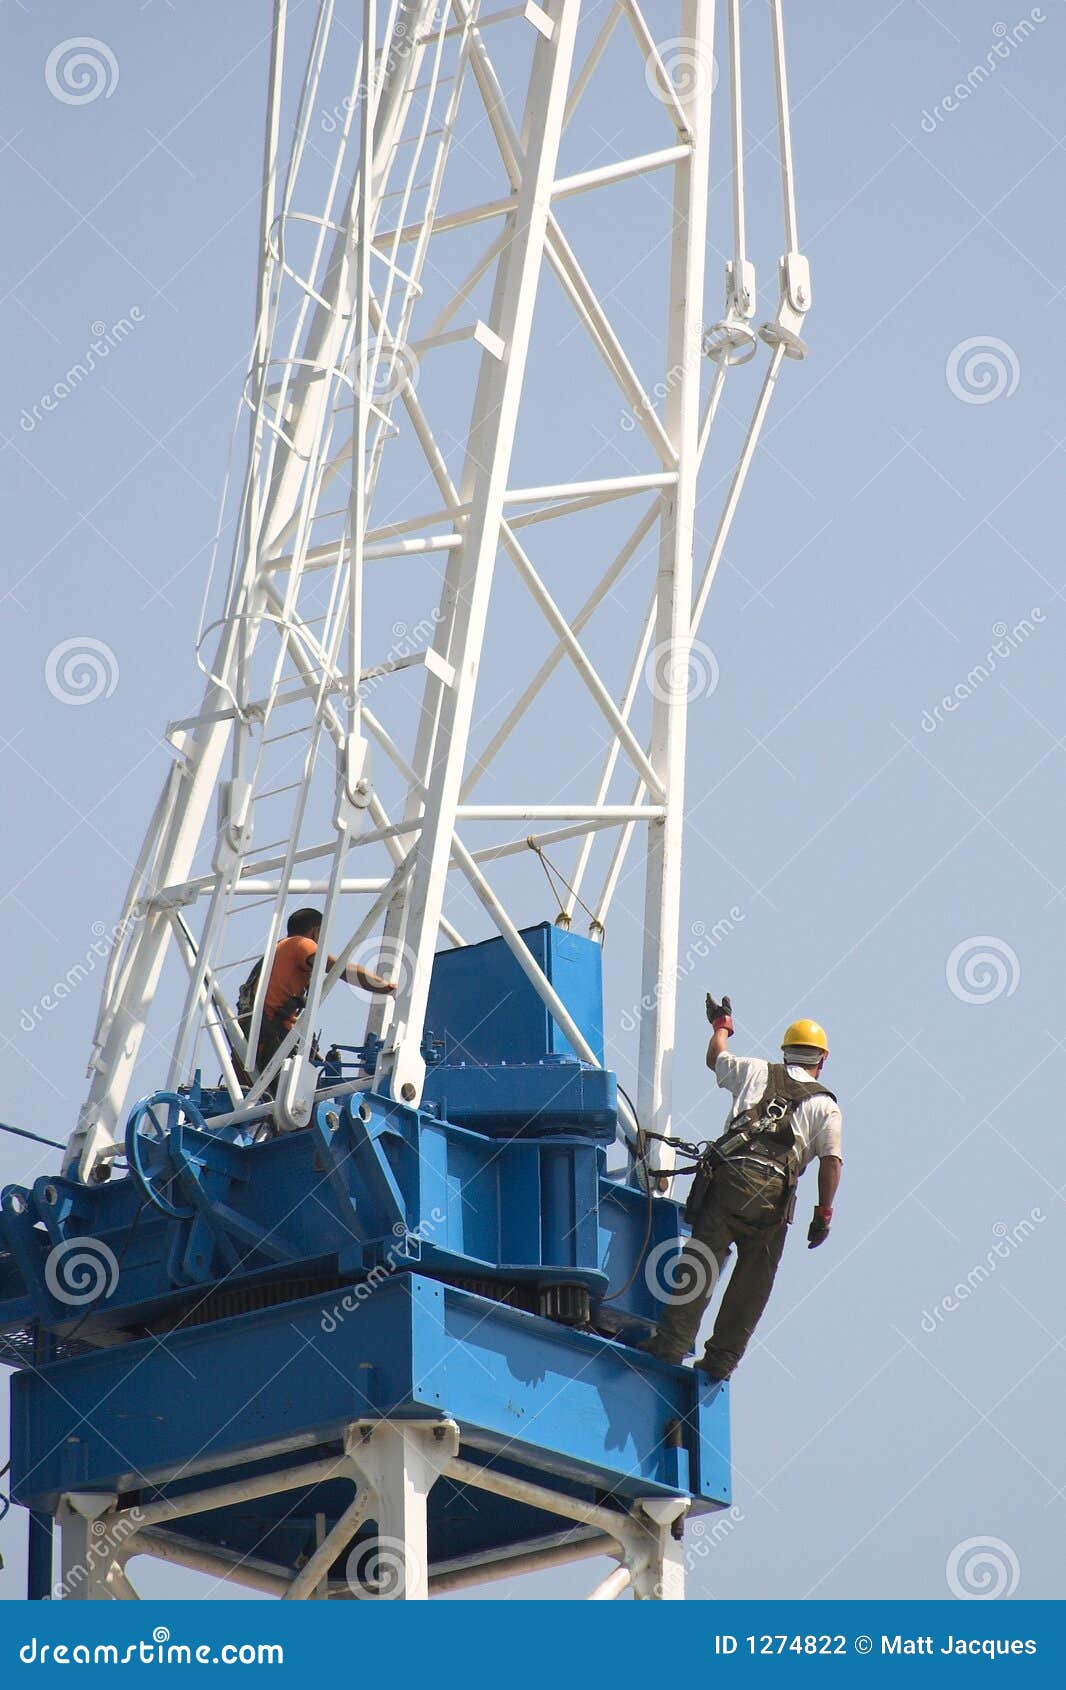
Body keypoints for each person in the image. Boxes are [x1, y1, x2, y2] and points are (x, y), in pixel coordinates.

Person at [641, 993, 843, 1383]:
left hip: (731, 1179)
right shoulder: (827, 1107)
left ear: (785, 1052)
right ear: (822, 1059)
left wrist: (722, 1025)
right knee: (754, 1281)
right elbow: (831, 1161)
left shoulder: (754, 1070)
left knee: (702, 1259)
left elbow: (715, 1057)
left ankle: (670, 1344)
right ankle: (720, 1361)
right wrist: (823, 1213)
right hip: (774, 1196)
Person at [248, 907, 396, 1077]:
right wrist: (386, 987)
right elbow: (342, 970)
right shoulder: (300, 944)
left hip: (256, 1036)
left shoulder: (278, 951)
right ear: (316, 932)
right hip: (271, 1034)